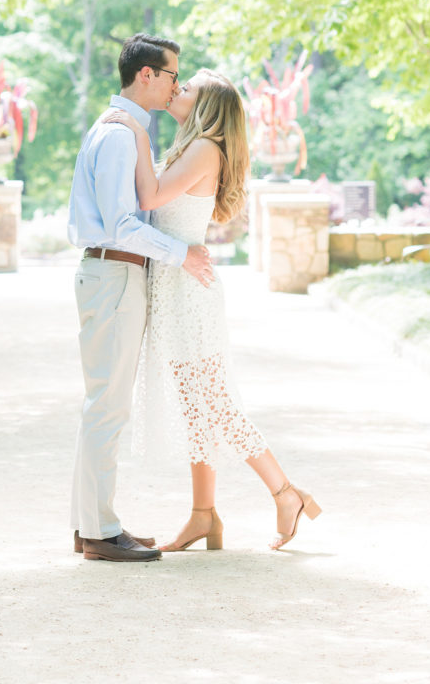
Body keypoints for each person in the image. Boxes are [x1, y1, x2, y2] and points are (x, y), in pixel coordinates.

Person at [103, 68, 321, 552]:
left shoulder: (203, 149)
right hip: (180, 284)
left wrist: (135, 129)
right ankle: (204, 515)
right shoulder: (191, 144)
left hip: (190, 290)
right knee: (196, 407)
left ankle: (286, 494)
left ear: (206, 106)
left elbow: (150, 196)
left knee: (214, 405)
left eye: (188, 87)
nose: (177, 89)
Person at [67, 34, 215, 563]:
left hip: (117, 277)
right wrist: (182, 253)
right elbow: (120, 223)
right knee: (107, 408)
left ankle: (90, 526)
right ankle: (100, 533)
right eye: (174, 73)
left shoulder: (129, 131)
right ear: (147, 75)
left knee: (102, 407)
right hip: (114, 275)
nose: (178, 82)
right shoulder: (119, 136)